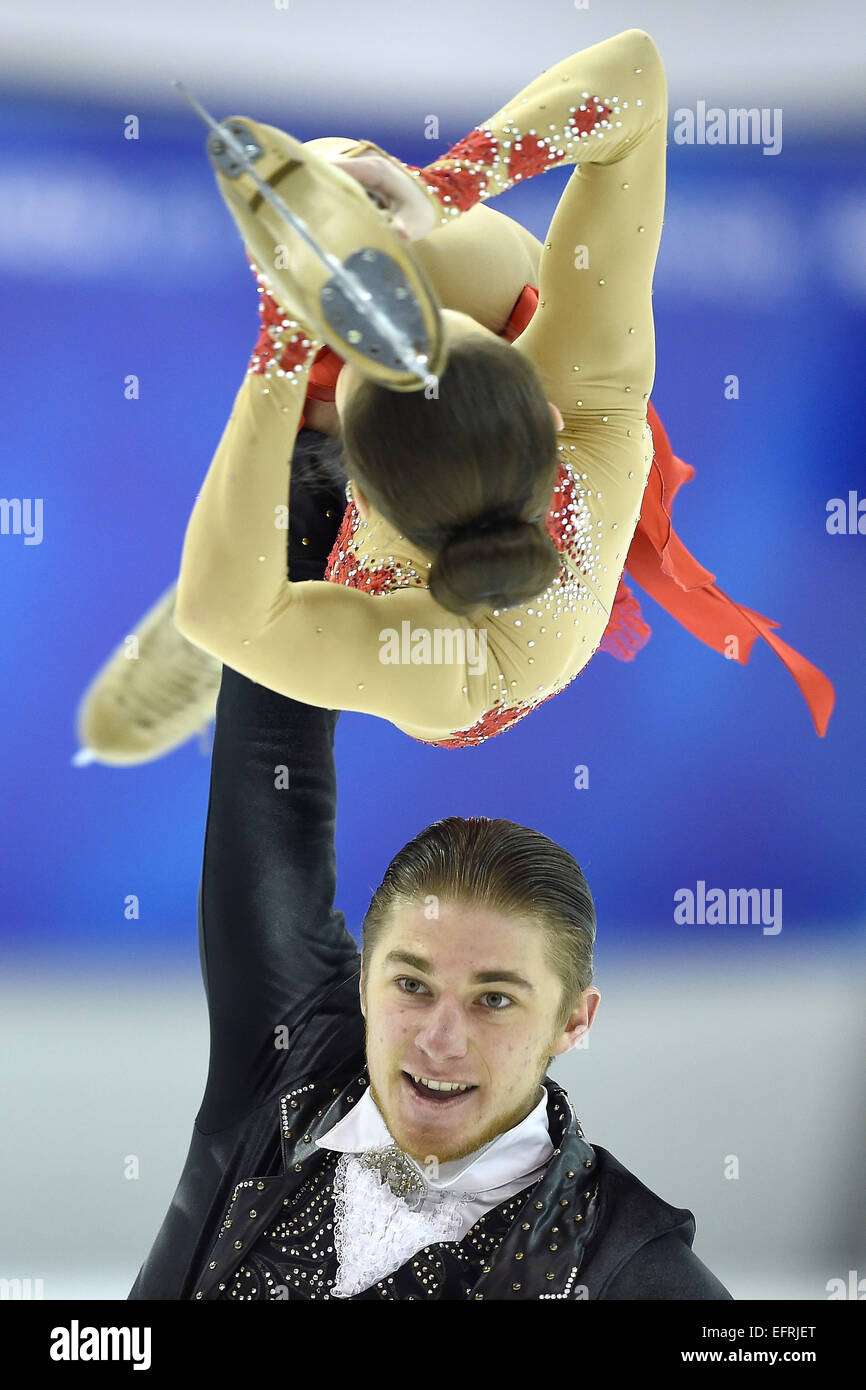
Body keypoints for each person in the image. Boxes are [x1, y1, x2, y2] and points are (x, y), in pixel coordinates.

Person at [74, 27, 833, 769]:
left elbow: (221, 614)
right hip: (472, 472)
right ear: (543, 404)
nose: (410, 328)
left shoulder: (442, 666)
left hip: (424, 611)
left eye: (373, 352)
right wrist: (441, 189)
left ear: (352, 494)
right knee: (373, 217)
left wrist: (286, 334)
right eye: (445, 332)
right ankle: (367, 235)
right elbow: (635, 74)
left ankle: (284, 545)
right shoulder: (593, 397)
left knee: (251, 612)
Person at [127, 444, 732, 1301]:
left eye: (494, 998)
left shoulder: (629, 1272)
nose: (439, 1040)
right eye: (412, 984)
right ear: (365, 985)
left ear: (573, 1020)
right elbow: (268, 762)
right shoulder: (288, 1062)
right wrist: (322, 445)